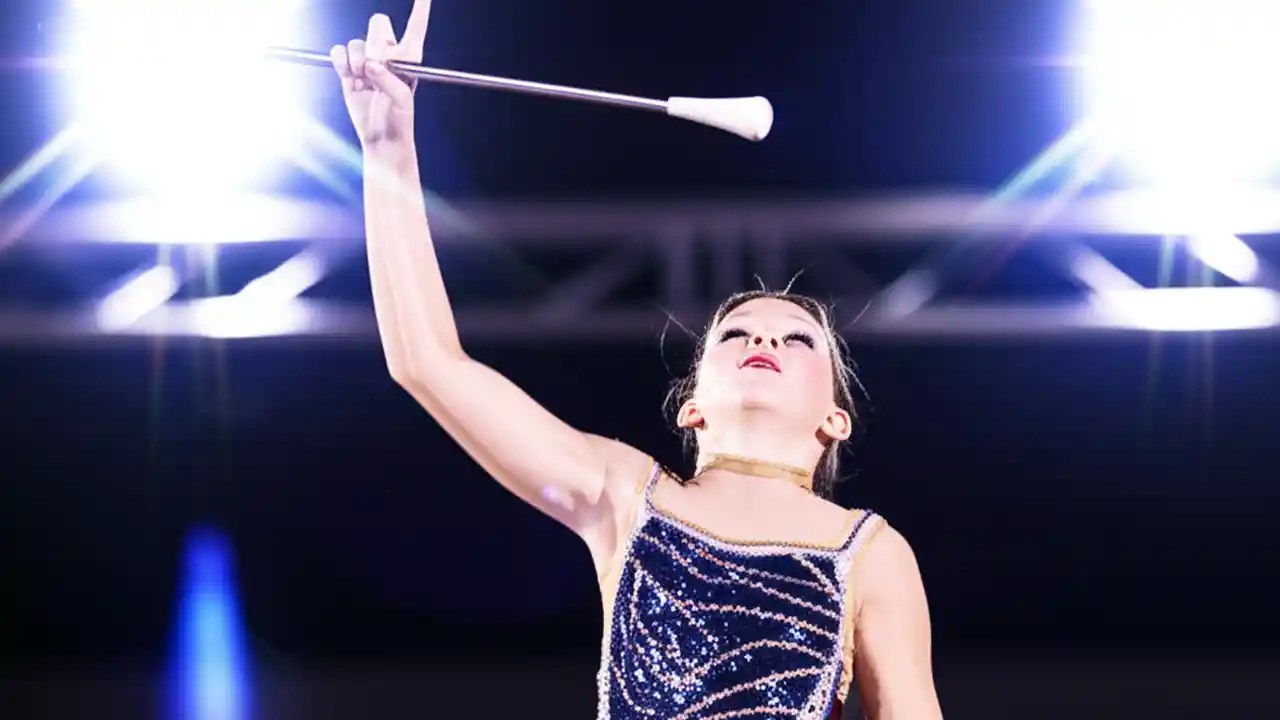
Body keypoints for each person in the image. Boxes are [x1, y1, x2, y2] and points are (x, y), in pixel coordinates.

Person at [329, 2, 944, 717]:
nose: (764, 341)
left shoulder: (871, 552)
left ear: (835, 419)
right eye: (736, 334)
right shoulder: (628, 496)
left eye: (798, 338)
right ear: (693, 404)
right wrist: (387, 148)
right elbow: (428, 363)